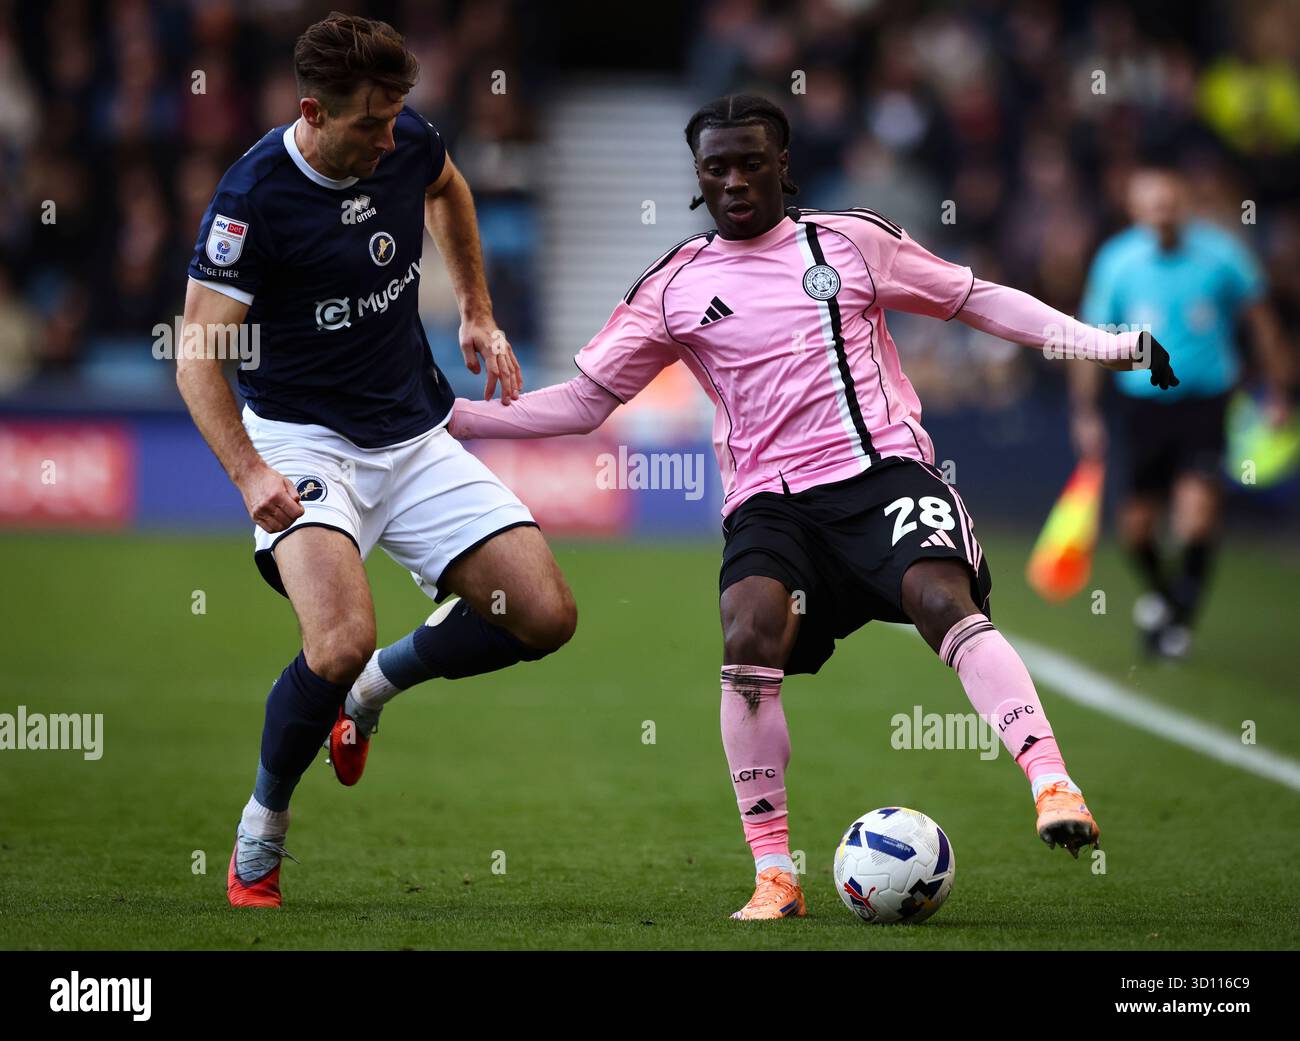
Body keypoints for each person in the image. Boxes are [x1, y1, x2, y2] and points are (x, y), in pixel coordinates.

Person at [352, 94, 1178, 920]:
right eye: (718, 167)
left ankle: (1052, 783)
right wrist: (449, 416)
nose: (736, 180)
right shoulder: (674, 287)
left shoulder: (851, 242)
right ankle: (776, 873)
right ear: (699, 178)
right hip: (771, 508)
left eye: (752, 162)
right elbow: (581, 404)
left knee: (937, 595)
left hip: (881, 475)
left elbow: (978, 299)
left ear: (784, 165)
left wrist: (1104, 344)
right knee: (747, 632)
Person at [177, 13, 576, 909]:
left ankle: (374, 687)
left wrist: (476, 306)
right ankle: (262, 829)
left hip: (412, 433)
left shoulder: (406, 140)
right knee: (335, 636)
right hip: (302, 441)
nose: (391, 137)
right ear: (313, 111)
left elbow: (449, 189)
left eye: (398, 117)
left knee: (545, 615)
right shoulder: (253, 199)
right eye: (371, 123)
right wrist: (249, 472)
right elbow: (197, 353)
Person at [1072, 164, 1292, 659]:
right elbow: (1090, 339)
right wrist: (1085, 411)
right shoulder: (1118, 261)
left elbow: (1262, 321)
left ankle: (1177, 622)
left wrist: (1277, 392)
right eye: (1151, 204)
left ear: (1184, 204)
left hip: (1205, 402)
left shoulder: (1222, 256)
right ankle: (1166, 599)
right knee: (1136, 529)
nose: (1162, 212)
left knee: (1195, 518)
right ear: (1135, 209)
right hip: (1141, 404)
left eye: (1170, 202)